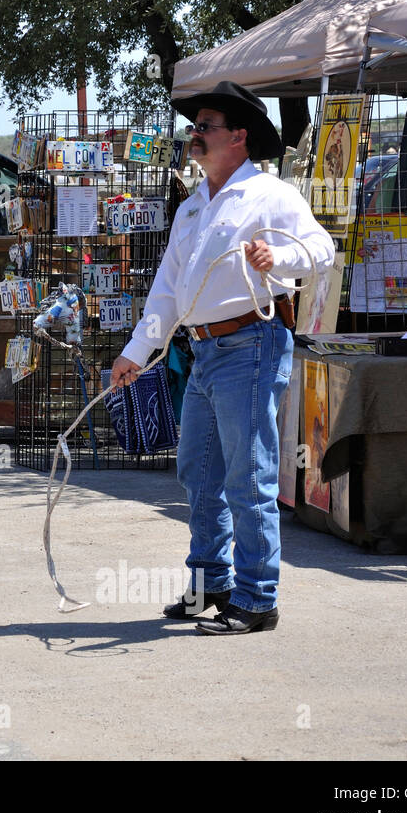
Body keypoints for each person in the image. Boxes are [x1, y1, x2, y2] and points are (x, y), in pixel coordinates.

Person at [109, 81, 334, 635]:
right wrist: (135, 353)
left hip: (251, 343)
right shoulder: (192, 208)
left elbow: (322, 249)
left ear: (238, 136)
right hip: (205, 348)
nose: (194, 134)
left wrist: (276, 255)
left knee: (247, 473)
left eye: (204, 126)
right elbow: (167, 291)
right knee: (200, 471)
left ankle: (258, 599)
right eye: (195, 126)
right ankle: (212, 582)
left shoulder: (270, 194)